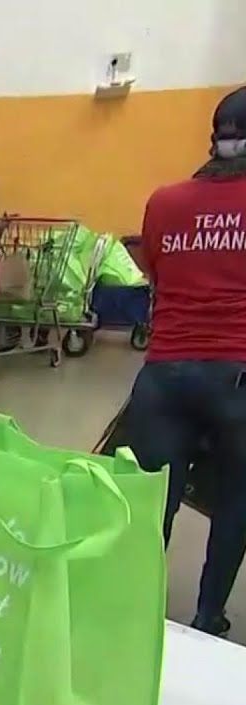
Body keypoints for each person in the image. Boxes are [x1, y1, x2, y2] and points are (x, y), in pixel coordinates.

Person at [129, 86, 246, 637]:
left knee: (153, 500)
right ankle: (207, 616)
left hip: (165, 374)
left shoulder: (164, 202)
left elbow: (157, 273)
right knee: (236, 501)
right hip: (237, 377)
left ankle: (131, 601)